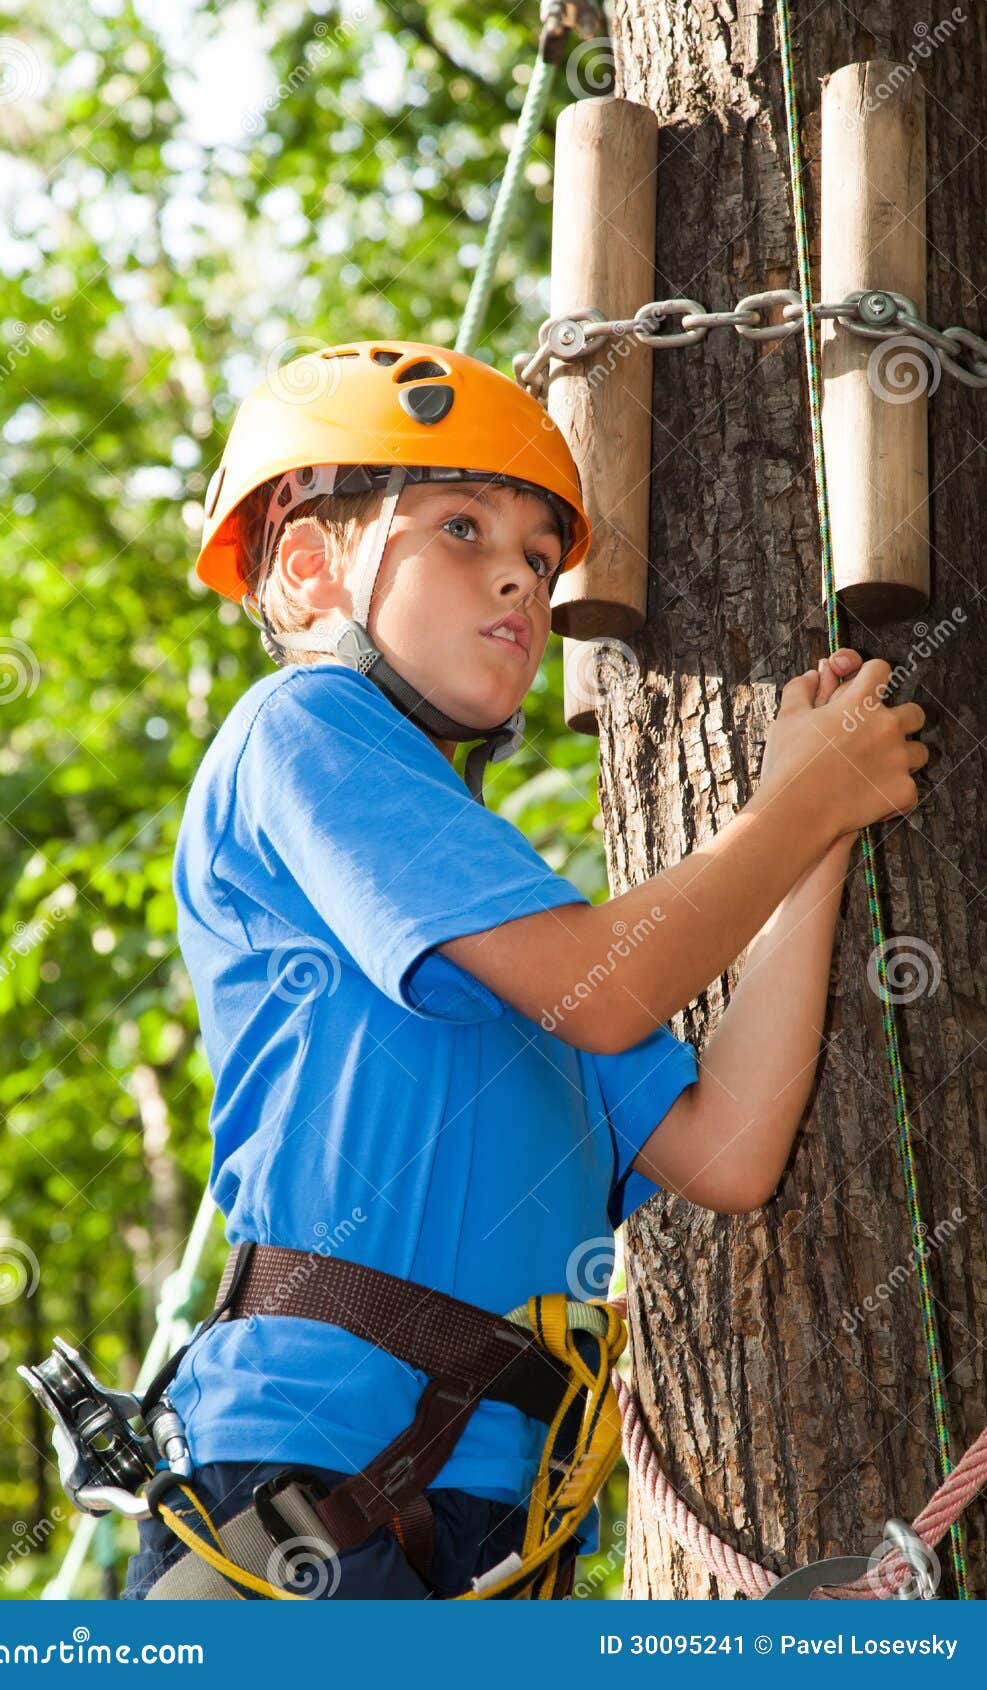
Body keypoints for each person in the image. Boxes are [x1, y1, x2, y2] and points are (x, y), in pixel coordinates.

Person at [123, 340, 927, 1600]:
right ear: (310, 565)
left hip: (491, 1526)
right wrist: (793, 806)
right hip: (302, 1476)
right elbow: (605, 988)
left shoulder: (505, 922)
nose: (519, 575)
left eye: (541, 559)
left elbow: (725, 1149)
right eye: (461, 527)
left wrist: (816, 832)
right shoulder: (301, 726)